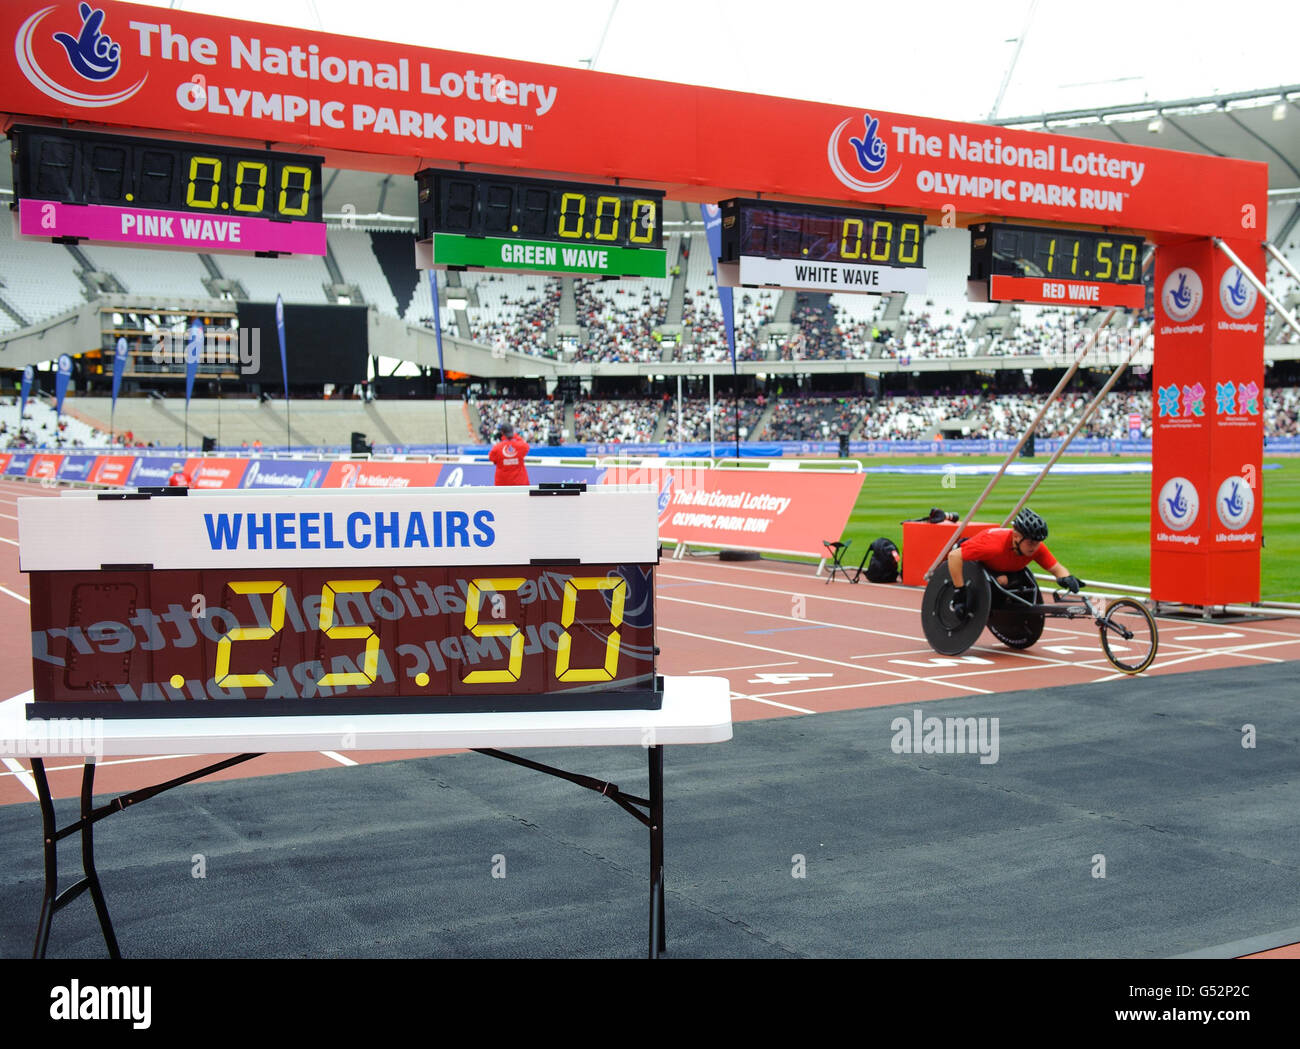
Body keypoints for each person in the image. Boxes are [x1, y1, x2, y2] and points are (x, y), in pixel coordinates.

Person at [946, 508, 1083, 616]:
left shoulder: (1036, 548)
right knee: (1002, 580)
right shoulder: (993, 546)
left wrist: (1066, 578)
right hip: (981, 560)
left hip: (1006, 567)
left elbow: (1056, 568)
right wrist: (960, 591)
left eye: (1038, 542)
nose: (1034, 547)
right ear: (1016, 536)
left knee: (1010, 580)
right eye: (1031, 542)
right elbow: (953, 556)